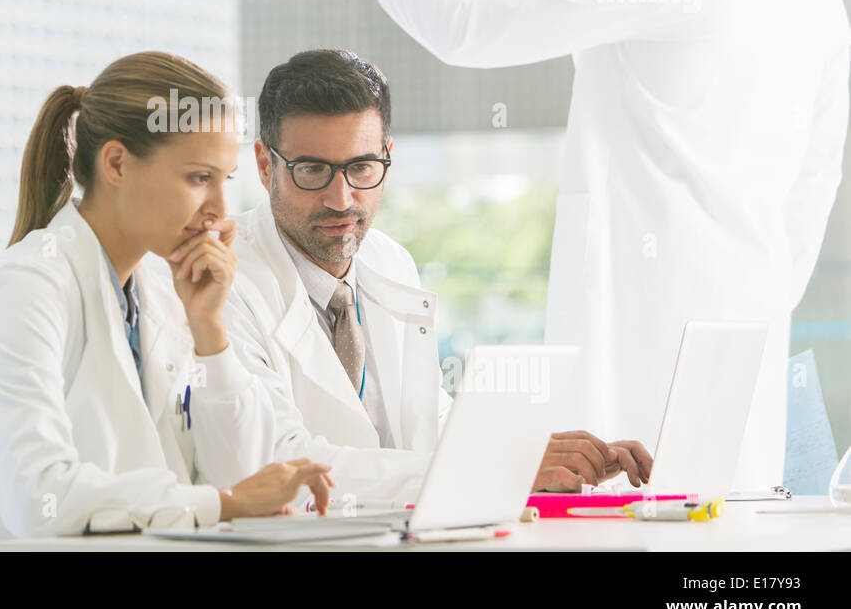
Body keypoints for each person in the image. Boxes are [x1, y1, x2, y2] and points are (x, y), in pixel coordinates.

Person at [333, 0, 850, 489]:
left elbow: (472, 30)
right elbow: (817, 175)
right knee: (728, 555)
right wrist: (761, 291)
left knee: (627, 521)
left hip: (640, 342)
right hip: (747, 346)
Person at [0, 51, 332, 549]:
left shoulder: (161, 294)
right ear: (116, 163)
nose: (219, 211)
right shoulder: (25, 287)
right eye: (198, 178)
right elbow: (40, 496)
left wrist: (210, 332)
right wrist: (223, 504)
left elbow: (242, 477)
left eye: (224, 181)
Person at [217, 49, 651, 498]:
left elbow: (429, 425)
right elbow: (279, 461)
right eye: (312, 170)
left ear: (387, 156)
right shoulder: (223, 282)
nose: (341, 198)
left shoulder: (391, 263)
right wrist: (501, 468)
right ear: (265, 164)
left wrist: (536, 456)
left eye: (361, 167)